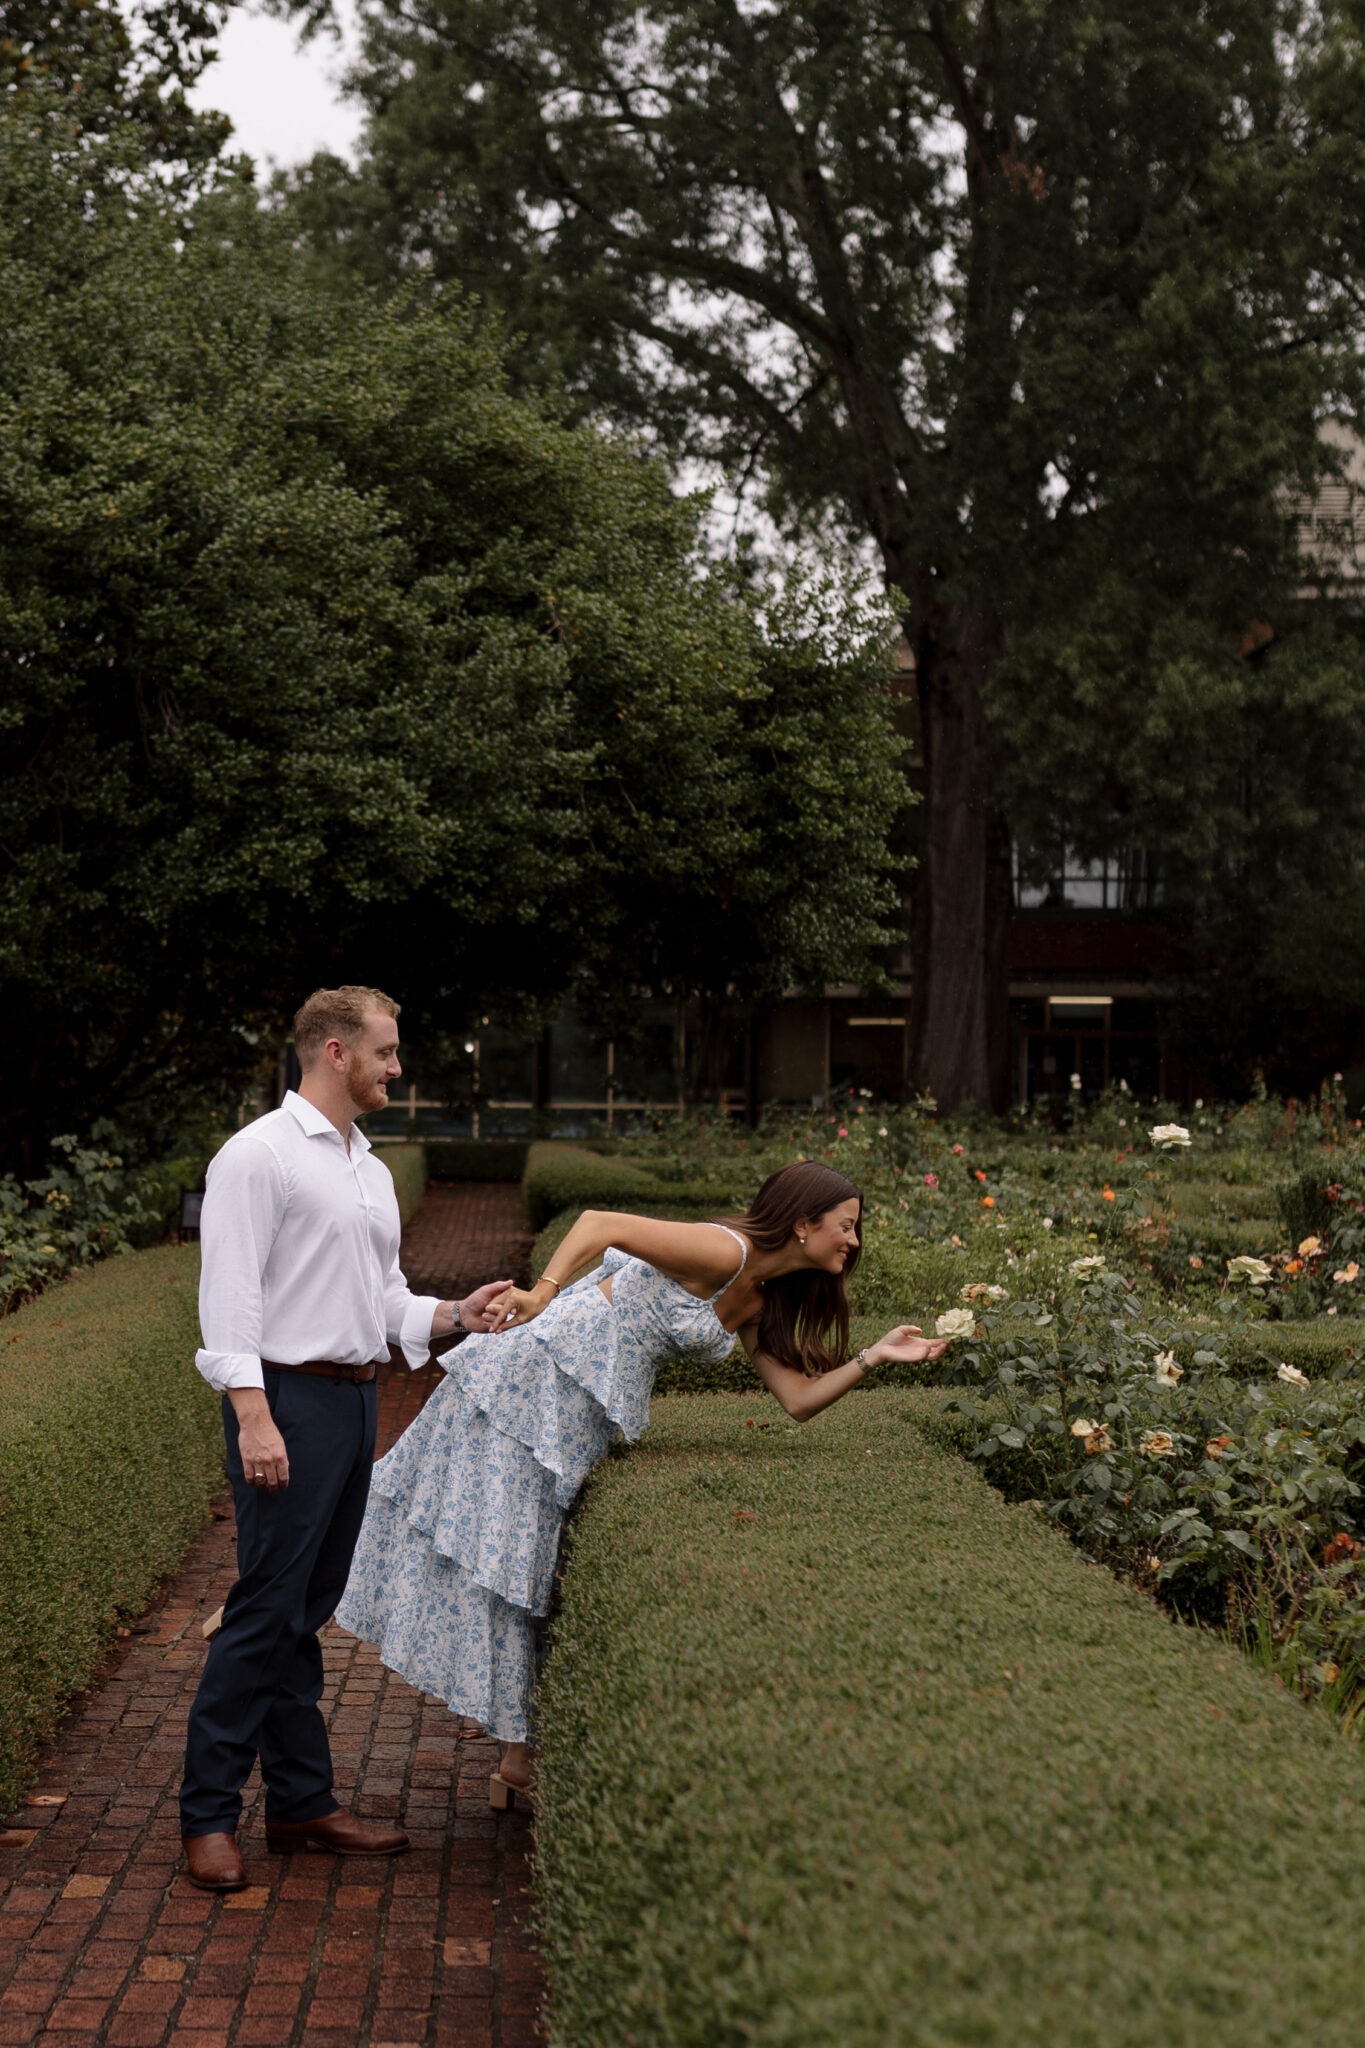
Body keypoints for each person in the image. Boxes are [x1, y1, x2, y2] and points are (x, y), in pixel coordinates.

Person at [335, 1158, 950, 1799]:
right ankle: (280, 1599)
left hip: (581, 1413)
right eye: (846, 1227)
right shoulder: (725, 1251)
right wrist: (541, 1294)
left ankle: (517, 1764)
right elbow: (601, 1223)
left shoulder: (764, 1298)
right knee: (472, 1540)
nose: (854, 1242)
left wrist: (872, 1358)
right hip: (535, 1379)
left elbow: (796, 1399)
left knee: (528, 1570)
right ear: (802, 1224)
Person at [178, 985, 511, 1893]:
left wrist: (454, 1314)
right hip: (285, 1401)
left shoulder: (365, 1166)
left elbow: (379, 1296)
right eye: (387, 1052)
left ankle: (298, 1802)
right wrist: (253, 1414)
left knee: (305, 1608)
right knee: (262, 1612)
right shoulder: (259, 1157)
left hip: (355, 1402)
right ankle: (206, 1815)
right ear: (334, 1052)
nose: (396, 1068)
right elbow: (231, 1300)